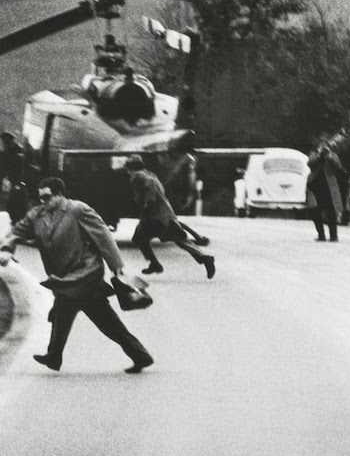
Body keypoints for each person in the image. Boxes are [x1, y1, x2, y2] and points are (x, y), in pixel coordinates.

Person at [0, 177, 153, 373]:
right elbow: (16, 231)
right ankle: (140, 355)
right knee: (103, 320)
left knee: (65, 309)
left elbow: (103, 237)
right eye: (40, 197)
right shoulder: (37, 215)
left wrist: (117, 268)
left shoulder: (78, 210)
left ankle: (54, 355)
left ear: (59, 195)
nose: (43, 201)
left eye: (47, 197)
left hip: (85, 273)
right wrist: (7, 248)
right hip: (64, 277)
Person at [125, 155, 215, 278]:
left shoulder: (139, 177)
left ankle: (155, 264)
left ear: (130, 168)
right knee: (180, 240)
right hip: (166, 214)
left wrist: (144, 213)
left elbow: (149, 200)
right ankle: (204, 258)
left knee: (139, 239)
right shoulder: (150, 175)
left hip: (154, 216)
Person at [307, 141, 346, 242]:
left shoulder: (332, 155)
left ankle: (333, 235)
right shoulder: (314, 154)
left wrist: (329, 157)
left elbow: (338, 166)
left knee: (331, 212)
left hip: (329, 188)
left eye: (325, 147)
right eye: (321, 147)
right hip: (315, 187)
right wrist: (319, 155)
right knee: (315, 212)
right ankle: (321, 235)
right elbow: (310, 164)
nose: (324, 149)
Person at [0, 131, 26, 224]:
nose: (4, 144)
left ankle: (14, 215)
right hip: (5, 174)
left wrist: (15, 181)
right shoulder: (4, 150)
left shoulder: (18, 150)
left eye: (5, 142)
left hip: (14, 177)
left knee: (14, 195)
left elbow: (19, 167)